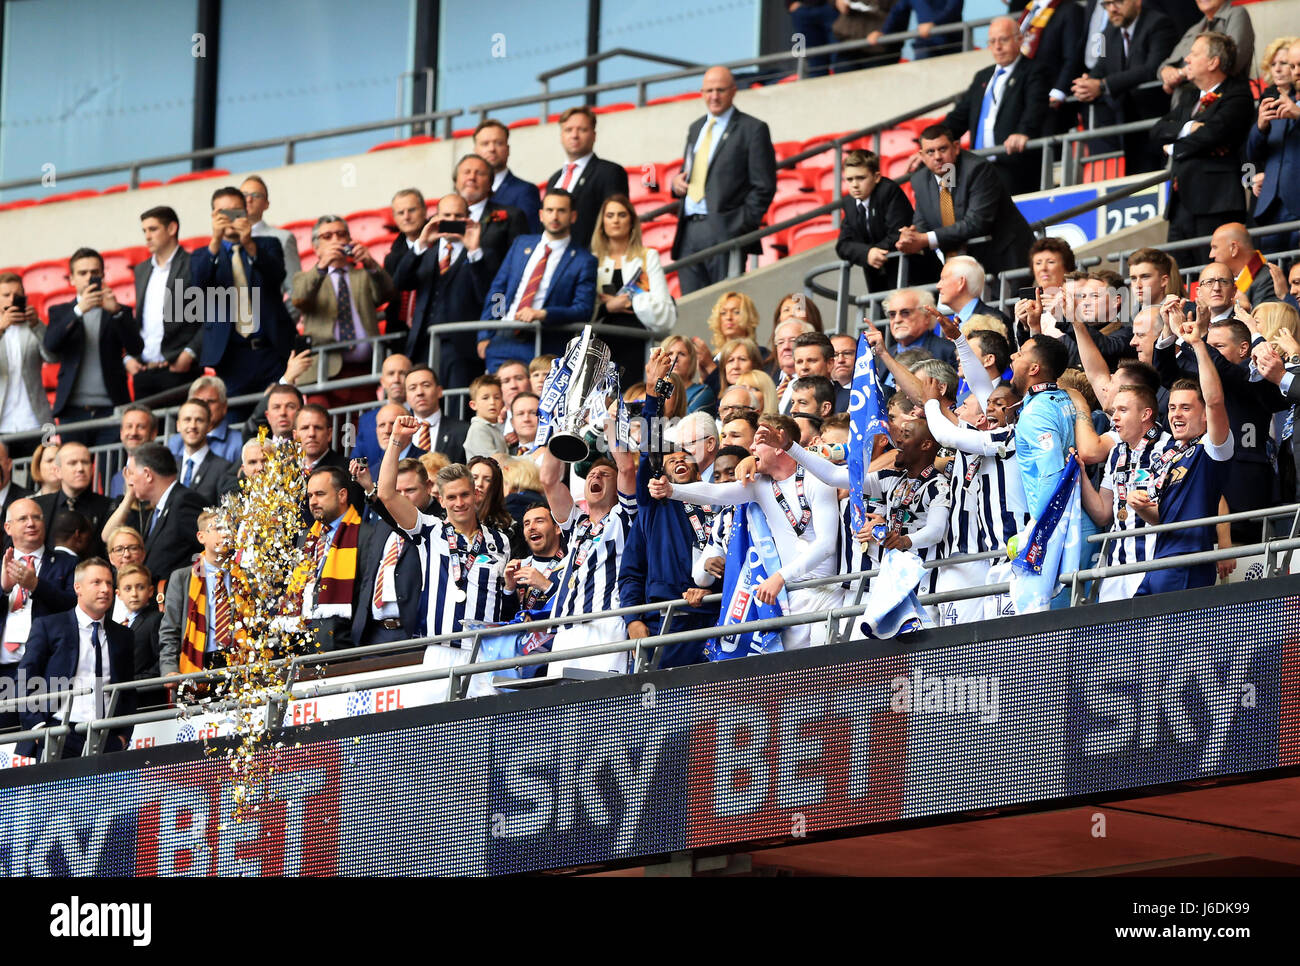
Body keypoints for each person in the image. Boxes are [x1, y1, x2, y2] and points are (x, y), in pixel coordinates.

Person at [651, 414, 841, 649]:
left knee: (833, 675)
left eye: (759, 441)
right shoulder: (760, 485)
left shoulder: (816, 477)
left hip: (827, 592)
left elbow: (826, 545)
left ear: (780, 446)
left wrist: (780, 577)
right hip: (788, 596)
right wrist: (673, 491)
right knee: (795, 679)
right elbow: (714, 492)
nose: (751, 448)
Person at [378, 419, 511, 683]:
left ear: (476, 495)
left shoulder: (501, 541)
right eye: (451, 497)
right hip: (439, 652)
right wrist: (396, 441)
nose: (459, 503)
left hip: (486, 654)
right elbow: (386, 493)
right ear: (440, 499)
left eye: (464, 495)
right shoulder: (429, 530)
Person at [619, 353, 719, 668]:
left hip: (716, 617)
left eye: (685, 454)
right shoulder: (655, 504)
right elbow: (631, 574)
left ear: (700, 465)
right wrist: (633, 619)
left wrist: (712, 587)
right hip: (665, 622)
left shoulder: (720, 501)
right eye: (669, 458)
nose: (677, 459)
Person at [1132, 318, 1234, 594]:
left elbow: (1215, 401)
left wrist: (1198, 345)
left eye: (1186, 408)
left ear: (1203, 416)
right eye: (1173, 407)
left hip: (1187, 562)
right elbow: (1163, 518)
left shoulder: (1212, 449)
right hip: (1158, 561)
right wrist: (1141, 507)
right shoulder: (1168, 453)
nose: (1176, 414)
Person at [538, 419, 638, 675]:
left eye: (605, 475)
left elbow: (626, 468)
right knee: (561, 708)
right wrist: (563, 427)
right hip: (566, 628)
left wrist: (610, 423)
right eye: (592, 474)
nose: (596, 476)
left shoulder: (624, 518)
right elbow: (548, 480)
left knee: (603, 706)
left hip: (606, 624)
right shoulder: (577, 524)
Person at [669, 66, 777, 294]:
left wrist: (740, 225)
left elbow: (764, 185)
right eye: (708, 91)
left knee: (723, 307)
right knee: (691, 307)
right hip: (689, 230)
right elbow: (689, 170)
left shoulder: (753, 129)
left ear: (734, 91)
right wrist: (676, 184)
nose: (714, 96)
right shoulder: (695, 127)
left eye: (720, 90)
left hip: (727, 231)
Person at [1150, 33, 1255, 262]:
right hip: (1180, 206)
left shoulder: (1238, 94)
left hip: (1216, 203)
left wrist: (1175, 148)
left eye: (1194, 54)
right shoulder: (1189, 95)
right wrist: (1190, 127)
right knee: (1180, 280)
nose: (1187, 59)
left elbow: (1212, 135)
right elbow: (1157, 130)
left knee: (1215, 275)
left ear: (1213, 62)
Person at [16, 558, 136, 758]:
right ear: (77, 587)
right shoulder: (49, 626)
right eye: (96, 582)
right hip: (58, 730)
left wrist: (123, 736)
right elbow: (24, 678)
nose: (105, 589)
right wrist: (38, 728)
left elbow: (127, 690)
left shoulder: (124, 635)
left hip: (106, 735)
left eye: (108, 583)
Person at [192, 185, 294, 399]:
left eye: (236, 212)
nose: (230, 218)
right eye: (223, 213)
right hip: (230, 358)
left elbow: (277, 276)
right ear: (213, 216)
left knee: (277, 425)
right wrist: (215, 241)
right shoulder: (203, 254)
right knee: (237, 422)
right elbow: (197, 287)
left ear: (246, 213)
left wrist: (248, 244)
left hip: (271, 352)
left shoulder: (268, 244)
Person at [478, 189, 597, 372]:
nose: (554, 216)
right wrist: (488, 332)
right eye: (549, 210)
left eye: (561, 211)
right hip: (503, 339)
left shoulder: (584, 260)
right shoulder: (521, 244)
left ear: (573, 216)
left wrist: (544, 313)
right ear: (541, 215)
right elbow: (498, 291)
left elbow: (583, 309)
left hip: (544, 343)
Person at [897, 124, 1035, 279]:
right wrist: (911, 236)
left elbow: (976, 223)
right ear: (921, 155)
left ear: (956, 147)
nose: (937, 157)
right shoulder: (920, 180)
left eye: (942, 149)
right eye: (930, 152)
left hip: (1006, 258)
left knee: (1019, 302)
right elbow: (923, 221)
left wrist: (925, 239)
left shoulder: (978, 169)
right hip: (962, 267)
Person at [1074, 382, 1172, 600]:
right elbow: (1102, 514)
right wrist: (1080, 472)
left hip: (1155, 564)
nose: (1114, 417)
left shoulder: (1170, 448)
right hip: (1116, 568)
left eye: (1123, 410)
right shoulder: (1116, 453)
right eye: (1114, 411)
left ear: (1146, 414)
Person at [393, 193, 494, 392]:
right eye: (446, 216)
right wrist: (421, 243)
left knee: (456, 403)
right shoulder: (425, 252)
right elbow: (400, 282)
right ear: (435, 218)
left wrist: (474, 251)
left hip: (462, 348)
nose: (452, 222)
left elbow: (489, 296)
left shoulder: (482, 253)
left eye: (458, 217)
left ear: (468, 218)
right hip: (424, 344)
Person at [44, 248, 142, 444]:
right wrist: (78, 311)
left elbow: (136, 348)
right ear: (71, 279)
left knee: (110, 470)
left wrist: (115, 312)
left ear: (103, 275)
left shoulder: (118, 310)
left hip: (111, 408)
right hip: (72, 411)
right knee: (74, 472)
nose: (89, 277)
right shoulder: (60, 311)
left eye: (95, 272)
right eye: (82, 273)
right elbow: (51, 345)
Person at [943, 17, 1050, 196]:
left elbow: (1036, 106)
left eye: (1004, 40)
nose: (998, 47)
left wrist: (1023, 132)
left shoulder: (1034, 70)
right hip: (978, 168)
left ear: (1020, 39)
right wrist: (933, 139)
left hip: (1011, 165)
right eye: (992, 41)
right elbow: (959, 117)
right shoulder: (982, 76)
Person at [1071, 0, 1178, 176]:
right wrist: (1088, 82)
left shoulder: (1159, 23)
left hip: (1159, 121)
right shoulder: (1106, 33)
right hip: (1128, 125)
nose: (1112, 9)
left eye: (1118, 2)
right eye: (1106, 4)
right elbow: (1100, 66)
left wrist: (1102, 85)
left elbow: (1151, 69)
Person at [291, 215, 396, 386]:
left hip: (366, 369)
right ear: (316, 248)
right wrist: (322, 266)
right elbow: (300, 299)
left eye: (341, 234)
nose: (336, 240)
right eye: (327, 237)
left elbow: (388, 294)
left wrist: (370, 264)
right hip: (322, 372)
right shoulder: (304, 277)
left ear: (349, 240)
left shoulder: (364, 275)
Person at [0, 497, 77, 724]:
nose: (31, 523)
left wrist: (36, 586)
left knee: (39, 741)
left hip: (44, 672)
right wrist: (3, 589)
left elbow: (75, 606)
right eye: (23, 518)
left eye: (36, 517)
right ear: (8, 527)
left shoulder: (67, 563)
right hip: (4, 670)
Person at [591, 195, 676, 381]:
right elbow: (585, 307)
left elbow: (664, 311)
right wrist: (608, 307)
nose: (615, 220)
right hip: (601, 344)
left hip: (637, 342)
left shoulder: (648, 256)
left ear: (631, 221)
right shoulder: (592, 259)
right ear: (602, 222)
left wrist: (632, 301)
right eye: (610, 215)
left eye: (621, 215)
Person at [836, 149, 939, 294]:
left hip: (913, 276)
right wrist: (867, 253)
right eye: (850, 179)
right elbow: (843, 245)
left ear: (876, 177)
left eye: (860, 178)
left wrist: (873, 251)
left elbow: (898, 234)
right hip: (878, 282)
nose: (854, 185)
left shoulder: (889, 191)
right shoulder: (849, 202)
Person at [128, 205, 201, 398]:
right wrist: (129, 357)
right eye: (144, 231)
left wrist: (189, 353)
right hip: (145, 372)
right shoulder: (141, 270)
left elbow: (210, 315)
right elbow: (141, 320)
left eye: (153, 229)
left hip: (179, 370)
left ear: (171, 229)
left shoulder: (194, 265)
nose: (147, 236)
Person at [159, 510, 235, 680]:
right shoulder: (183, 578)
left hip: (237, 662)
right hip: (199, 660)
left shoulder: (244, 576)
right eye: (218, 528)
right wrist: (169, 668)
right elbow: (170, 629)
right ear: (201, 537)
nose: (225, 534)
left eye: (229, 528)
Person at [297, 466, 367, 653]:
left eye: (320, 494)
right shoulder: (306, 538)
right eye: (310, 495)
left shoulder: (364, 534)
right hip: (305, 643)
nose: (313, 501)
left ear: (342, 495)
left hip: (344, 645)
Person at [545, 107, 629, 248]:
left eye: (582, 130)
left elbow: (615, 223)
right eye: (568, 130)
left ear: (594, 135)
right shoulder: (554, 179)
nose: (574, 135)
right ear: (561, 136)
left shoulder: (610, 172)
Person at [1248, 37, 1300, 253]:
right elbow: (1249, 155)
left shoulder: (1292, 105)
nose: (1294, 71)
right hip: (1269, 205)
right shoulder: (1274, 101)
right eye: (1293, 66)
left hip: (1296, 203)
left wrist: (1298, 113)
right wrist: (1260, 127)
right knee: (1272, 275)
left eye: (1296, 65)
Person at [128, 441, 205, 588]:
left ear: (147, 474)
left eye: (131, 473)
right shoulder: (158, 509)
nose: (130, 481)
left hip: (180, 602)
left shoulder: (184, 502)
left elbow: (209, 548)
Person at [1159, 0, 1255, 110]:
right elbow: (1165, 65)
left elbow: (1233, 61)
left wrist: (1180, 74)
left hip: (1222, 103)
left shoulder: (1236, 14)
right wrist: (1166, 72)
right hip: (1184, 107)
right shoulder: (1195, 29)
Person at [0, 272, 54, 448]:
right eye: (6, 295)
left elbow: (52, 357)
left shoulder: (34, 326)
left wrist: (37, 326)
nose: (12, 299)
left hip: (36, 420)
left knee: (42, 473)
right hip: (3, 422)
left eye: (17, 295)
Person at [241, 175, 303, 322]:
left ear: (266, 204)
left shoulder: (282, 238)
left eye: (256, 195)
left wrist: (279, 325)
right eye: (244, 195)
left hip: (266, 332)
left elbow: (297, 292)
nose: (248, 200)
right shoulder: (225, 239)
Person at [34, 443, 111, 557]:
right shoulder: (39, 506)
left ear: (92, 468)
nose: (80, 469)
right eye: (72, 463)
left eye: (85, 462)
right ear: (57, 471)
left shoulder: (108, 506)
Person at [455, 153, 529, 270]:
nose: (472, 177)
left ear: (490, 183)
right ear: (455, 181)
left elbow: (519, 263)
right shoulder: (441, 218)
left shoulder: (512, 216)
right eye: (466, 172)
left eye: (479, 173)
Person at [474, 119, 542, 233]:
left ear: (508, 149)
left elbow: (529, 237)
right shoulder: (468, 193)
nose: (492, 149)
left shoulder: (525, 191)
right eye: (485, 144)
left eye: (498, 143)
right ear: (475, 151)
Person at [503, 502, 568, 617]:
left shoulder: (571, 564)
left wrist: (546, 586)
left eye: (539, 521)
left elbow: (575, 609)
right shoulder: (518, 567)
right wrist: (509, 590)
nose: (531, 527)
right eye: (526, 524)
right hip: (524, 634)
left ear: (557, 528)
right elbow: (507, 618)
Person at [350, 354, 412, 469]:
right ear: (382, 381)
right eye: (391, 374)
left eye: (402, 373)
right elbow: (357, 459)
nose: (396, 380)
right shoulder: (367, 420)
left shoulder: (421, 416)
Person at [115, 562, 164, 707]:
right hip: (123, 699)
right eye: (128, 588)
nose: (134, 594)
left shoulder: (156, 619)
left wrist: (133, 682)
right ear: (119, 594)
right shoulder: (118, 627)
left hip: (147, 698)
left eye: (140, 587)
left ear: (150, 591)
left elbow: (161, 661)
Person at [172, 397, 238, 504]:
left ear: (209, 426)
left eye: (199, 420)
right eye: (187, 419)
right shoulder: (170, 467)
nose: (192, 426)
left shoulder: (223, 468)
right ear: (178, 425)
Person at [385, 187, 430, 338]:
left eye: (412, 210)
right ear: (394, 218)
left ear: (424, 211)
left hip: (434, 327)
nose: (406, 217)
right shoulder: (392, 257)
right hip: (403, 334)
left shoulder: (443, 242)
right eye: (400, 213)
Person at [1209, 222, 1282, 311]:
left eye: (1215, 247)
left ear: (1234, 248)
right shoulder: (1225, 281)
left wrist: (1247, 308)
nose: (1211, 255)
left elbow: (1267, 320)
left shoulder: (1267, 278)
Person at [404, 365, 468, 464]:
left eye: (426, 385)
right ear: (406, 397)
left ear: (439, 391)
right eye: (412, 388)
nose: (419, 392)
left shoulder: (463, 431)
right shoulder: (401, 433)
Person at [884, 288, 958, 368]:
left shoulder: (947, 351)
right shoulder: (884, 355)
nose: (897, 320)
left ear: (926, 317)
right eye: (892, 314)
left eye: (905, 313)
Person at [869, 0, 966, 60]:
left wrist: (936, 23)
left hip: (953, 43)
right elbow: (898, 12)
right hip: (925, 44)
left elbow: (954, 8)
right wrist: (883, 32)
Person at [464, 374, 506, 462]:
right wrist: (529, 458)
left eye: (497, 397)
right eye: (485, 398)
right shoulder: (478, 429)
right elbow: (494, 461)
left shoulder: (494, 427)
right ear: (473, 405)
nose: (492, 402)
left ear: (502, 402)